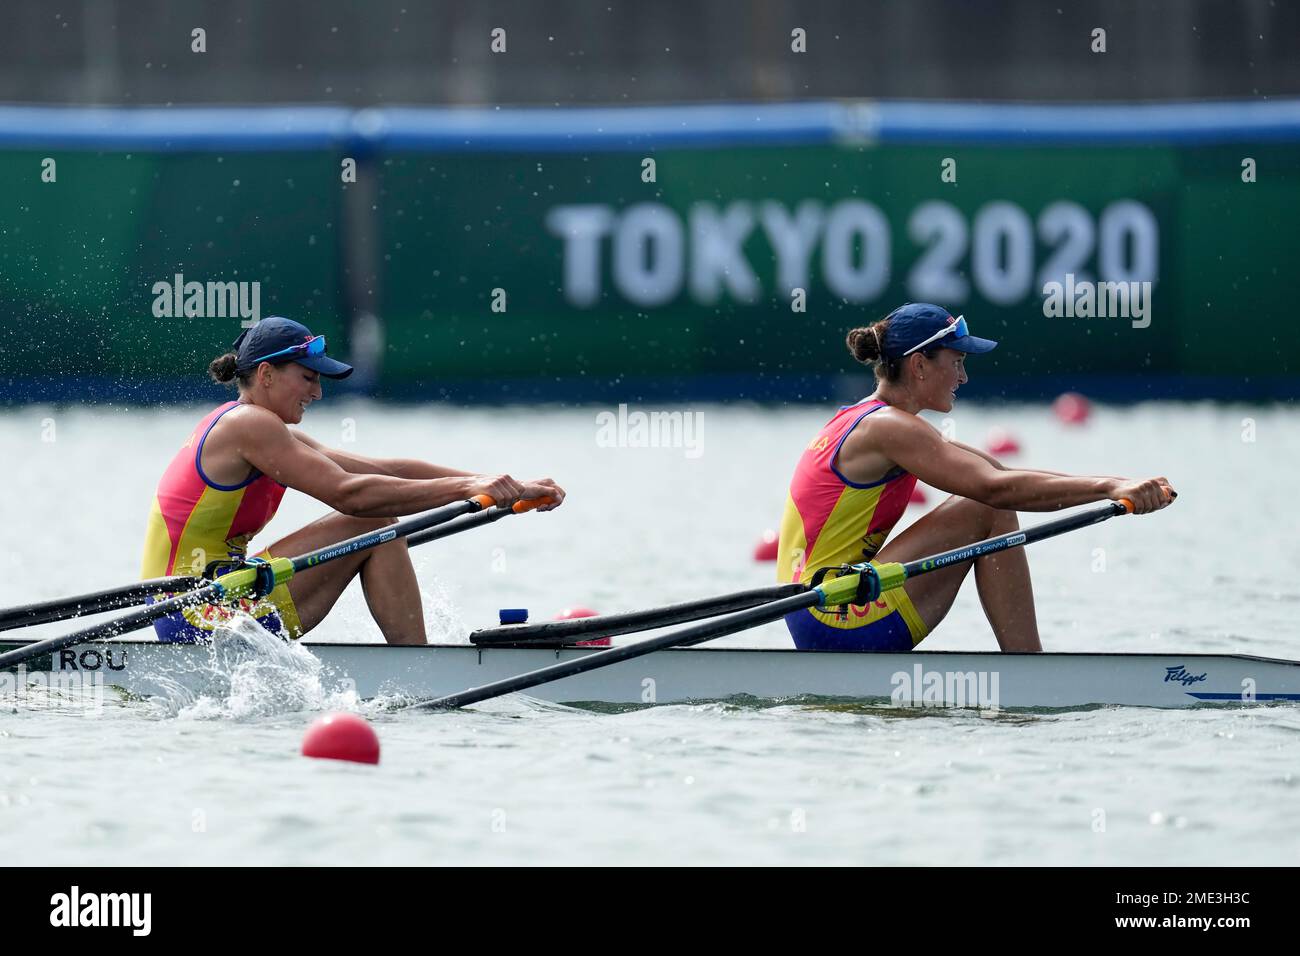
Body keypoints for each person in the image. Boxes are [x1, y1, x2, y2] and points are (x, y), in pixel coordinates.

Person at [776, 302, 1174, 652]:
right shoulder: (888, 429)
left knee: (990, 500)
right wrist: (1107, 489)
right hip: (837, 615)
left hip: (821, 607)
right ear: (919, 365)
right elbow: (993, 490)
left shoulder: (868, 419)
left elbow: (1001, 473)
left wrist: (1118, 482)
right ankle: (1029, 671)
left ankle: (1027, 668)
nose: (963, 378)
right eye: (956, 363)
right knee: (986, 507)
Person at [140, 316, 564, 645]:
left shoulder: (260, 429)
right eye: (307, 377)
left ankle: (417, 663)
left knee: (378, 524)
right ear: (266, 374)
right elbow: (351, 495)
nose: (317, 392)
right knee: (374, 523)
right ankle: (419, 671)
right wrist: (465, 489)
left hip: (221, 595)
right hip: (195, 613)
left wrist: (498, 485)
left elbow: (383, 471)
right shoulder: (249, 426)